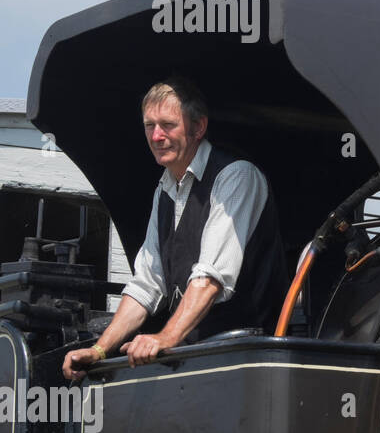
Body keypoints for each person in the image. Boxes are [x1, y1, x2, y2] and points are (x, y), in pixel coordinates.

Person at [63, 78, 288, 380]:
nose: (156, 136)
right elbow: (147, 285)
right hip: (195, 360)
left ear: (198, 127)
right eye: (149, 125)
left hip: (245, 360)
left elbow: (210, 279)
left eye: (168, 125)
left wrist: (165, 338)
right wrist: (101, 350)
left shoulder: (235, 176)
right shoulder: (165, 190)